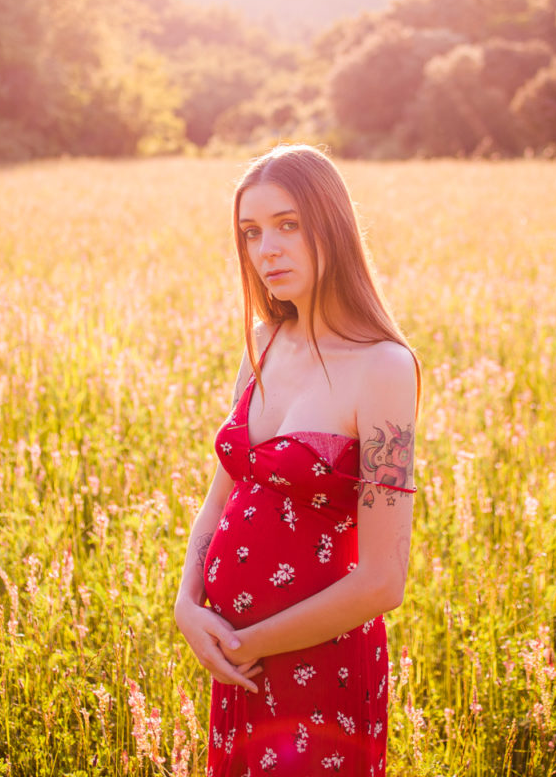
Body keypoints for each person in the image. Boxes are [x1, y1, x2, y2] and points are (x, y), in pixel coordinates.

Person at [174, 144, 420, 776]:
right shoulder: (263, 343)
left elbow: (383, 580)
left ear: (330, 225)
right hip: (235, 664)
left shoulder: (384, 368)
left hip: (319, 665)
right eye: (251, 233)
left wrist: (243, 643)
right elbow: (219, 499)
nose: (266, 251)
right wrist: (186, 603)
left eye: (288, 225)